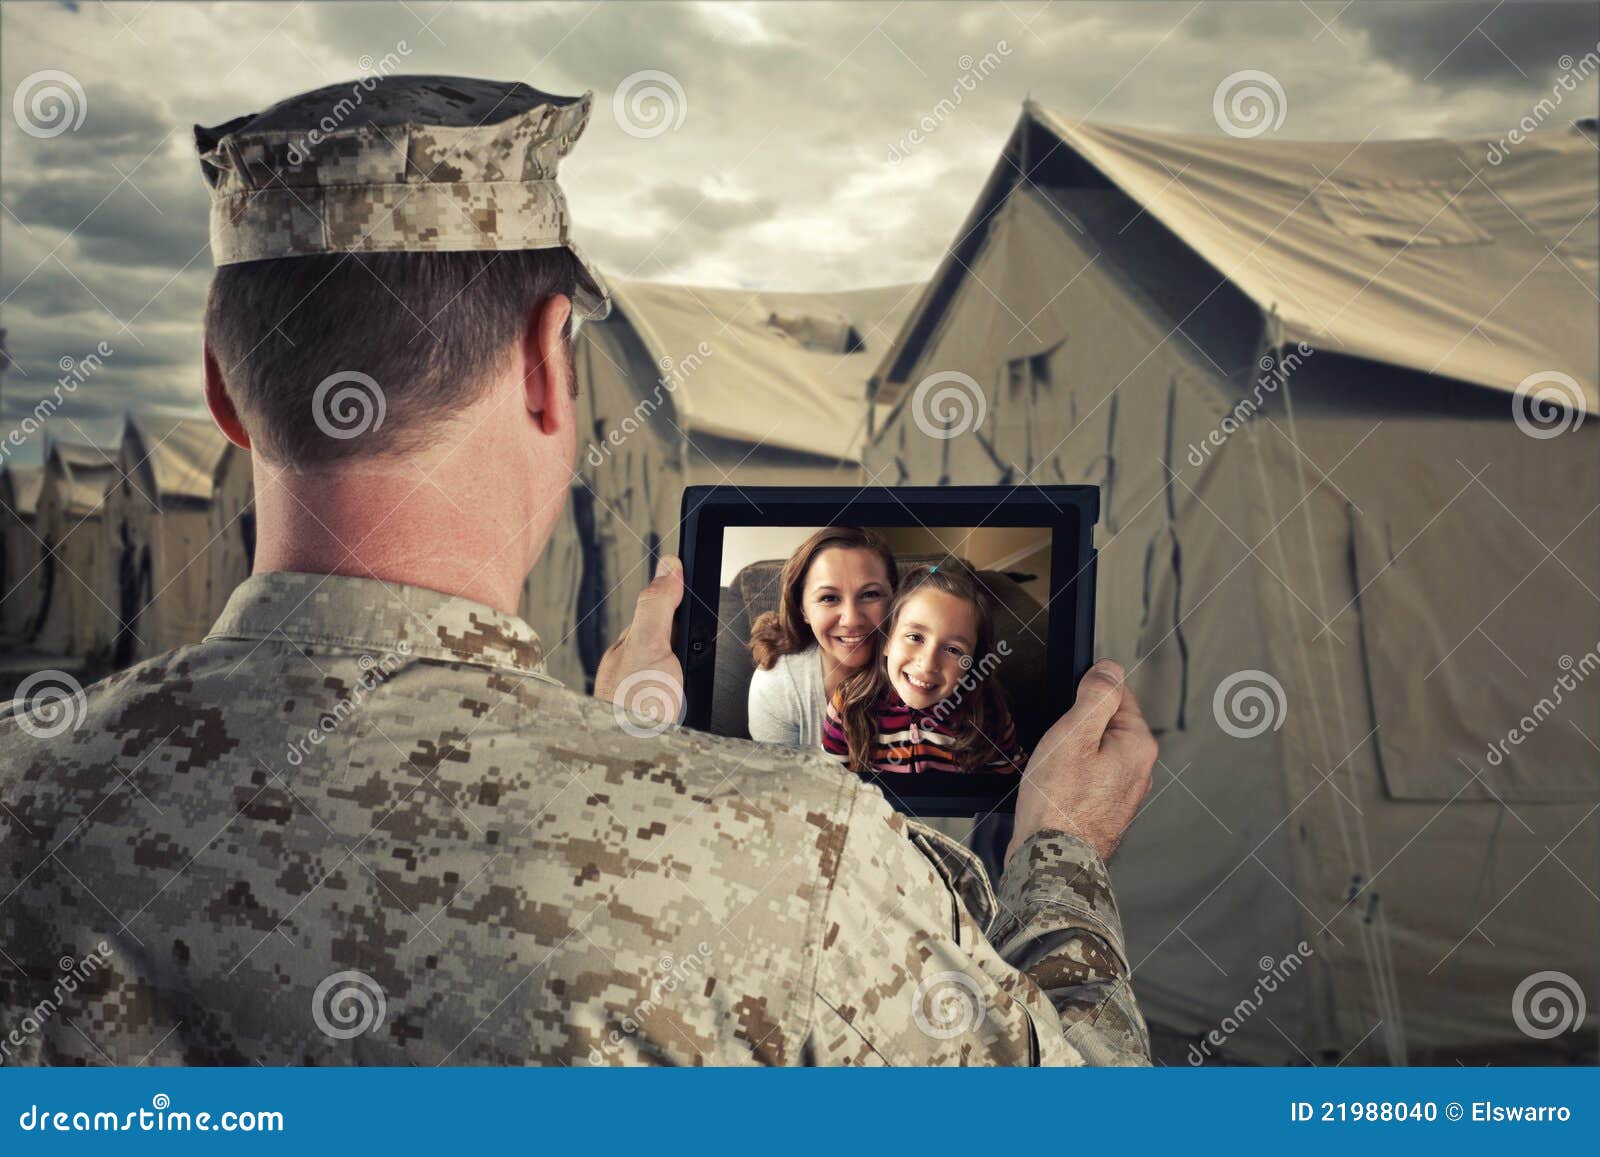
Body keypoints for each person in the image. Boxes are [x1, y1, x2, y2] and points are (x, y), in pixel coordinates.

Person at [0, 75, 1158, 1066]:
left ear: (221, 391)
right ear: (551, 363)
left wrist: (620, 759)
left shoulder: (22, 793)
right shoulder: (797, 860)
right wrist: (1059, 854)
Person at [823, 562, 1028, 774]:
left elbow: (1013, 784)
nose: (928, 664)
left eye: (953, 649)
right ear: (886, 642)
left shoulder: (990, 714)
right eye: (915, 637)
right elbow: (829, 782)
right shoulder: (848, 705)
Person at [746, 526, 896, 747]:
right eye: (829, 598)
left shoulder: (928, 669)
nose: (852, 619)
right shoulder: (778, 685)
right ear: (803, 610)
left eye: (870, 594)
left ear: (896, 597)